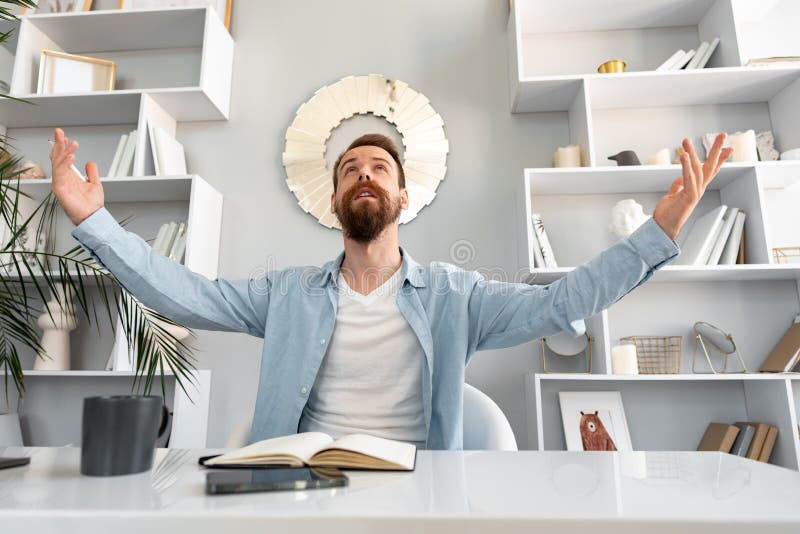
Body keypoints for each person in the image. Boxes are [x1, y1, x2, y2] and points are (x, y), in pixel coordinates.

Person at [49, 128, 733, 449]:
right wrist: (95, 222)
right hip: (301, 483)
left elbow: (563, 302)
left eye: (379, 166)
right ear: (336, 200)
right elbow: (184, 295)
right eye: (351, 170)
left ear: (404, 194)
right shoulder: (287, 294)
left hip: (418, 485)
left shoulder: (459, 295)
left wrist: (659, 231)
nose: (365, 176)